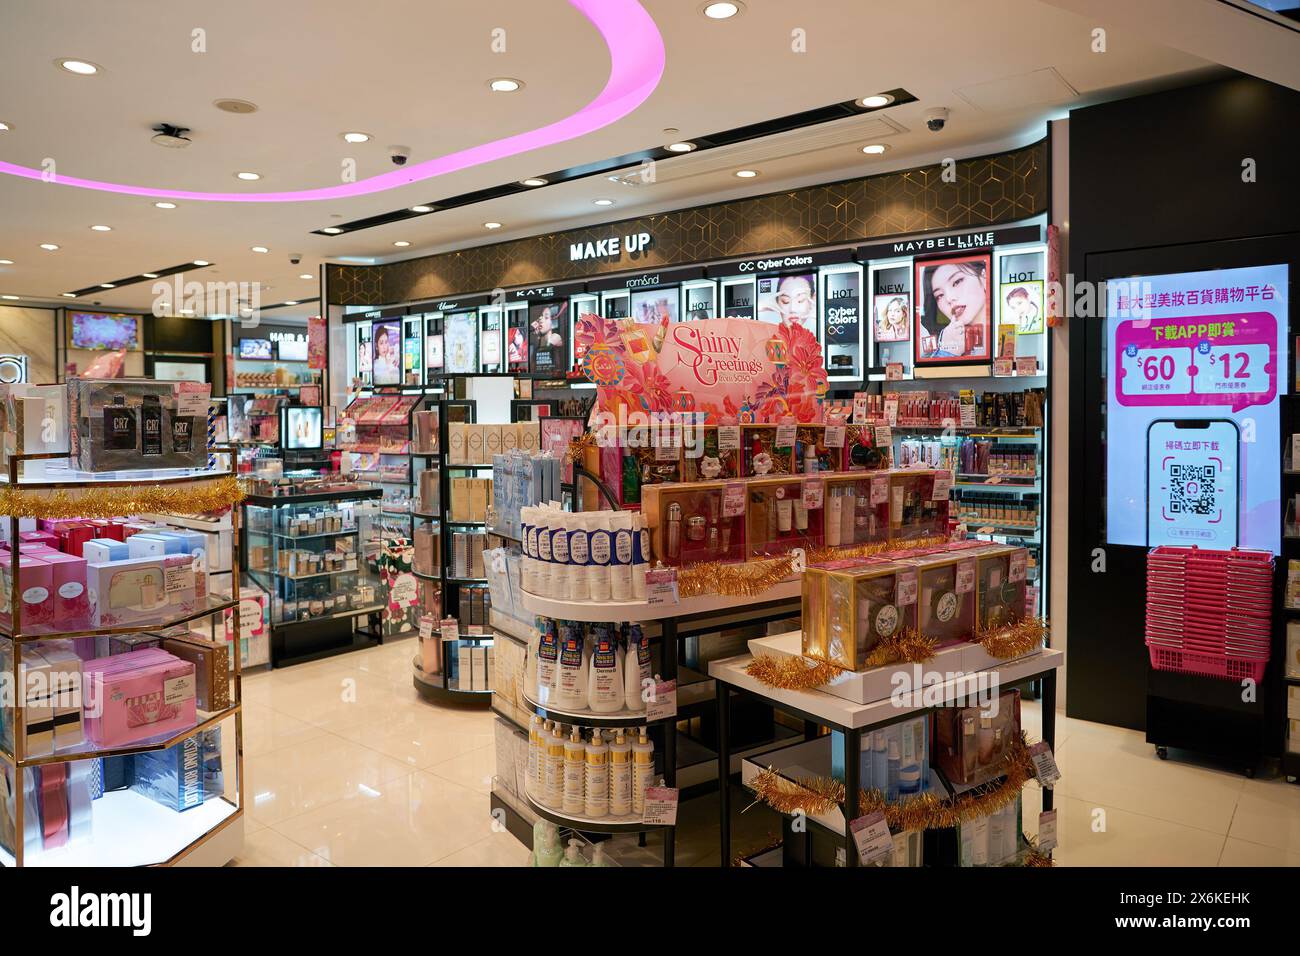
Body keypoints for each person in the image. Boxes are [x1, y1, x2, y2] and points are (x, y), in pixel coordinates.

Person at [924, 261, 988, 358]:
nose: (949, 298)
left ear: (984, 277)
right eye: (940, 295)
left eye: (957, 282)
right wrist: (946, 351)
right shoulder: (940, 341)